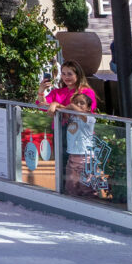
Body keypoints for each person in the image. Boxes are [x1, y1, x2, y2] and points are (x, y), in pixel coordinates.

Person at [41, 61, 98, 195]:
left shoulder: (85, 92)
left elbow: (87, 112)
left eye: (70, 74)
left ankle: (87, 199)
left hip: (81, 138)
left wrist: (57, 105)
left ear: (78, 75)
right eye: (64, 73)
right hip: (61, 132)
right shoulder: (58, 91)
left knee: (85, 176)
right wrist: (41, 91)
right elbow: (42, 105)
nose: (66, 77)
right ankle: (65, 194)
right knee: (64, 168)